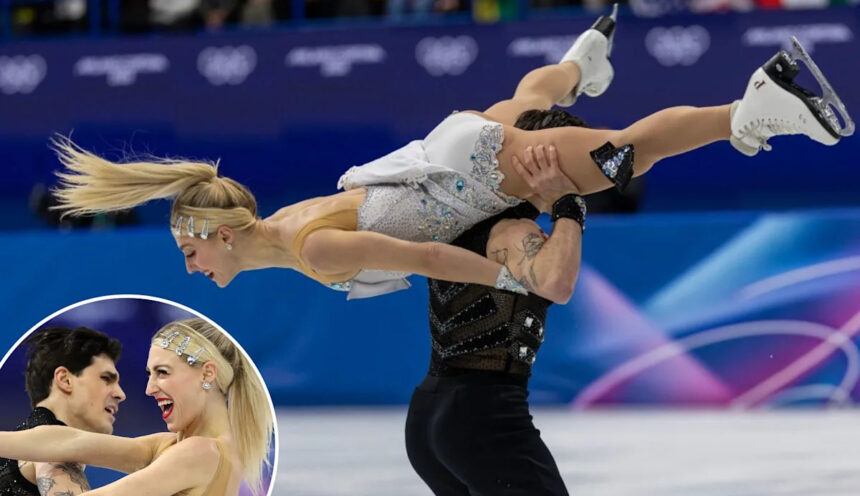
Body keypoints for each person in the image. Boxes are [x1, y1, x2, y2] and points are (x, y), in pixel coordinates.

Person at [50, 12, 852, 302]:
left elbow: (431, 254)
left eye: (188, 249)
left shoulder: (311, 246)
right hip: (456, 148)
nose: (190, 266)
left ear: (218, 233)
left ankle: (757, 102)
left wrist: (505, 277)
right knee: (530, 97)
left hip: (479, 170)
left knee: (620, 158)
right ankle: (582, 64)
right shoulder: (287, 231)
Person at [406, 106, 588, 496]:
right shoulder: (510, 230)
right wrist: (568, 205)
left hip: (433, 414)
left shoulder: (459, 214)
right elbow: (556, 284)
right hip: (483, 420)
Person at [0, 319, 274, 496]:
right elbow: (71, 442)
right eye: (149, 374)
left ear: (208, 373)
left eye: (162, 373)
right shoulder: (172, 446)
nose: (149, 388)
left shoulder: (200, 452)